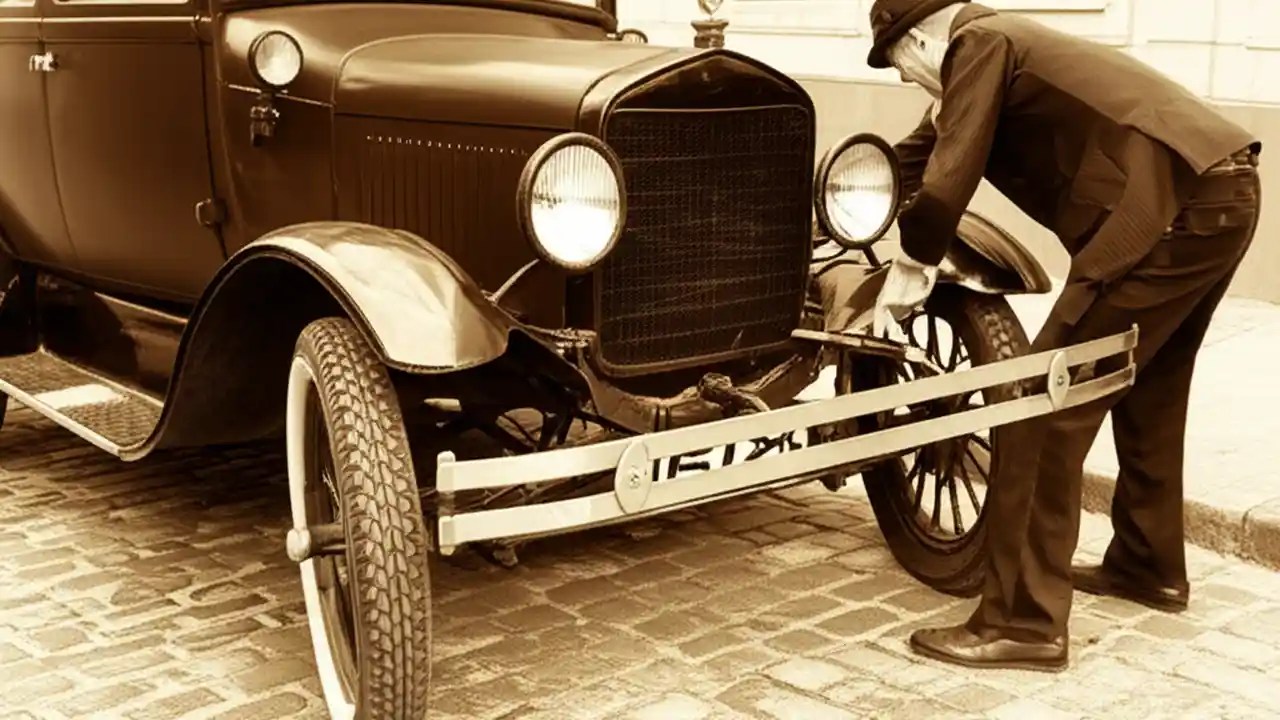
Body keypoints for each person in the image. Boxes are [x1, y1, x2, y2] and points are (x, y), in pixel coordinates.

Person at [866, 0, 1263, 671]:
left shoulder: (980, 44)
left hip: (1165, 213)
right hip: (1219, 191)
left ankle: (1023, 622)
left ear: (924, 38)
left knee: (1036, 404)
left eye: (897, 61)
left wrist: (911, 265)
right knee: (1149, 383)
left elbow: (946, 179)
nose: (903, 79)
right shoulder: (1005, 45)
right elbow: (912, 160)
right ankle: (1147, 563)